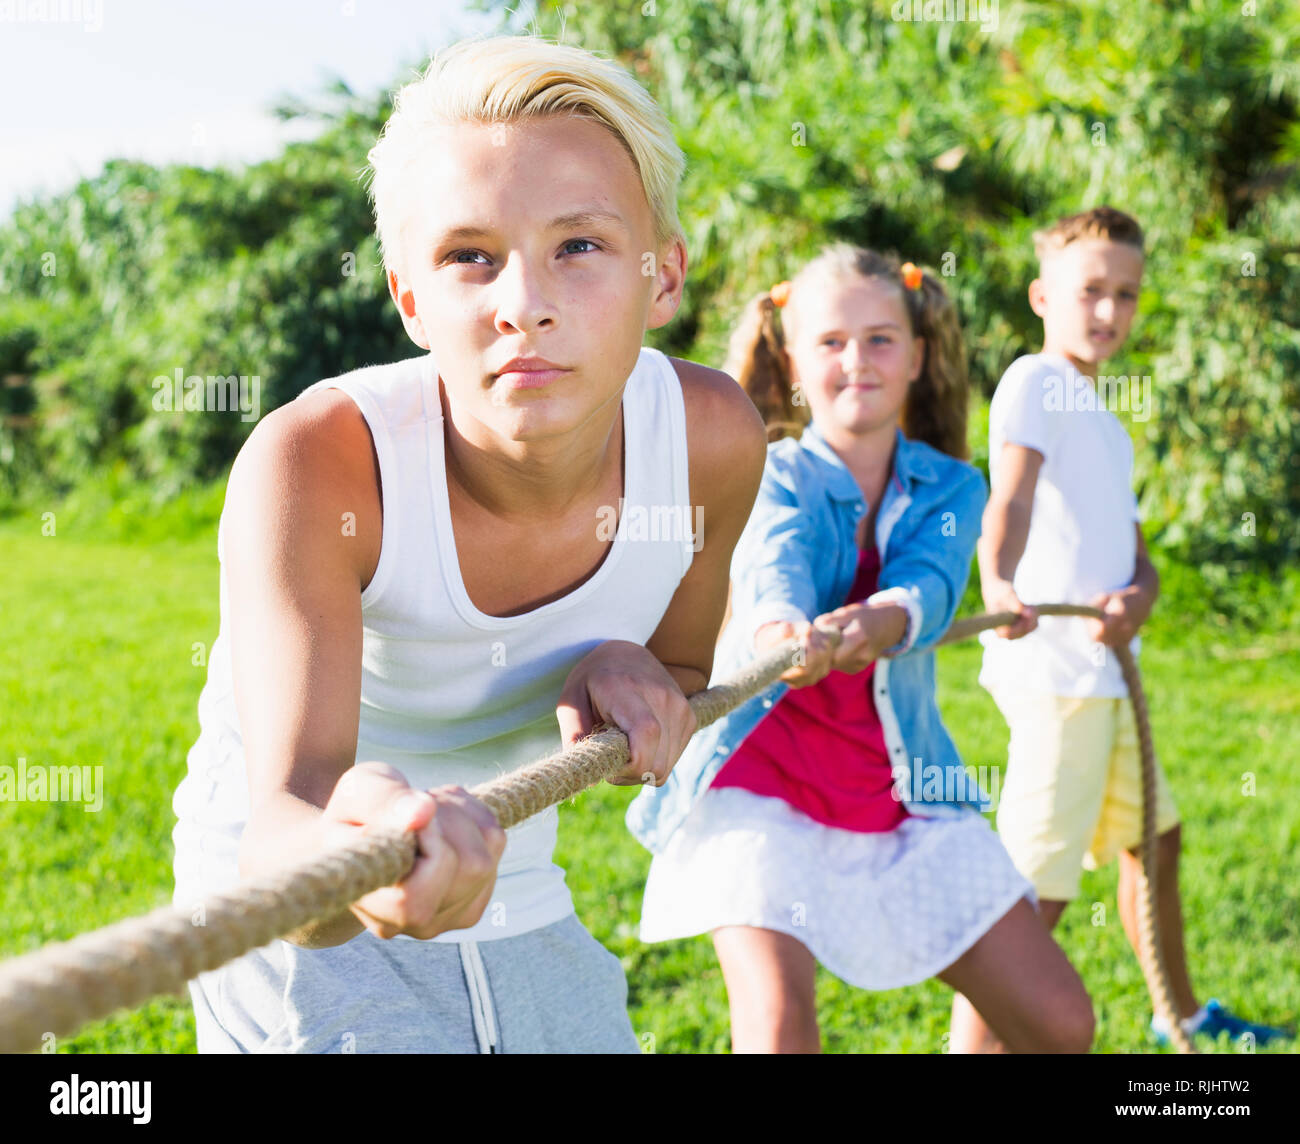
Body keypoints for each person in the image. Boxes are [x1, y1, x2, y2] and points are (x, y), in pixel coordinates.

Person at [170, 33, 767, 1054]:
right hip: (294, 888)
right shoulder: (319, 463)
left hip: (512, 856)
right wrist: (358, 845)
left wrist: (628, 661)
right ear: (409, 297)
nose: (521, 304)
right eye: (467, 256)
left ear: (661, 277)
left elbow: (677, 669)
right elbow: (287, 823)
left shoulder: (709, 440)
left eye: (578, 246)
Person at [626, 244, 1095, 1054]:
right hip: (760, 785)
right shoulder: (773, 472)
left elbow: (933, 581)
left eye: (881, 339)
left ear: (917, 356)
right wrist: (781, 628)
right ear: (793, 359)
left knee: (1060, 1020)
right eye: (832, 343)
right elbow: (777, 557)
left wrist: (883, 620)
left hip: (902, 787)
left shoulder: (952, 486)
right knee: (777, 1031)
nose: (857, 360)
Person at [956, 205, 1291, 1050]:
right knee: (1035, 893)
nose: (1110, 311)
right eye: (1091, 291)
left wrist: (1140, 594)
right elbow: (1012, 499)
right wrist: (999, 581)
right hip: (1061, 685)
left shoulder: (1103, 416)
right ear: (1042, 295)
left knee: (1157, 843)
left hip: (1107, 678)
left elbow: (1133, 549)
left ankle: (1182, 1016)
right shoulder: (1034, 383)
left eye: (1127, 295)